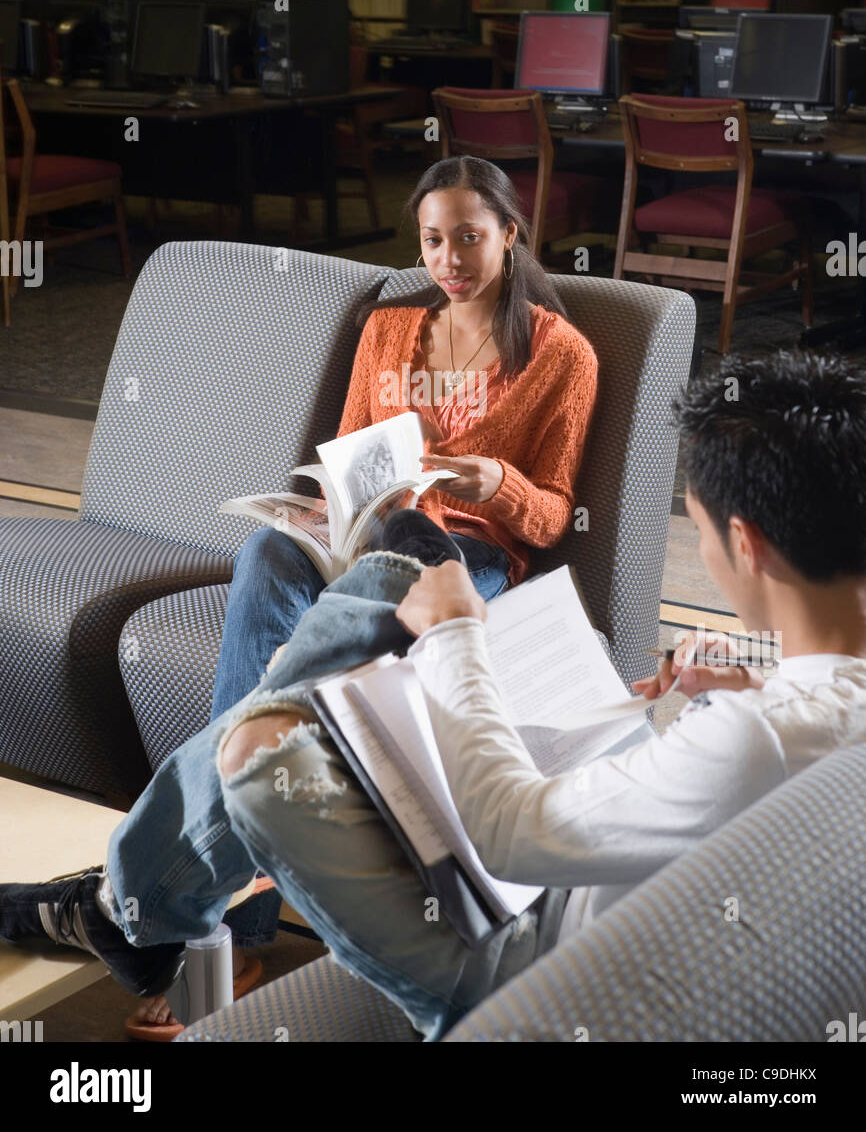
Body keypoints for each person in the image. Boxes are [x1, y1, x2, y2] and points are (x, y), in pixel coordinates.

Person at [5, 349, 864, 1042]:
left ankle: (131, 904)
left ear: (745, 545)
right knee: (374, 612)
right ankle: (133, 902)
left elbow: (514, 835)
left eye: (701, 530)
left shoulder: (764, 737)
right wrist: (747, 681)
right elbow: (794, 734)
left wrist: (458, 633)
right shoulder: (807, 707)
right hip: (612, 888)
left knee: (266, 741)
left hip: (524, 953)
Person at [126, 153, 599, 1035]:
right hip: (370, 534)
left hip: (464, 554)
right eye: (432, 239)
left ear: (510, 235)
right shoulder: (387, 330)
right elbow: (348, 453)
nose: (450, 257)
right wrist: (319, 513)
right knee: (269, 552)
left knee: (315, 643)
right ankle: (227, 886)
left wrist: (492, 478)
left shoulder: (562, 354)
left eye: (469, 236)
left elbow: (550, 518)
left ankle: (226, 929)